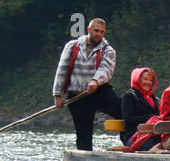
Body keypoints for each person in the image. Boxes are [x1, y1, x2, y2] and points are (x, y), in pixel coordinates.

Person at [52, 17, 122, 151]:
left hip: (100, 92)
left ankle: (132, 143)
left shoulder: (108, 51)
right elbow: (62, 70)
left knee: (123, 110)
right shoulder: (72, 46)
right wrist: (57, 94)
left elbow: (106, 69)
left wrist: (95, 81)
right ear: (89, 30)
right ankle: (84, 160)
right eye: (96, 31)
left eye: (102, 32)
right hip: (77, 96)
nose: (99, 34)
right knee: (83, 134)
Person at [120, 67, 159, 146]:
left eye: (151, 80)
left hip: (153, 134)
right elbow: (128, 119)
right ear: (137, 80)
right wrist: (152, 118)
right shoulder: (129, 96)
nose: (149, 82)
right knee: (151, 144)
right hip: (134, 135)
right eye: (145, 79)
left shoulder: (155, 99)